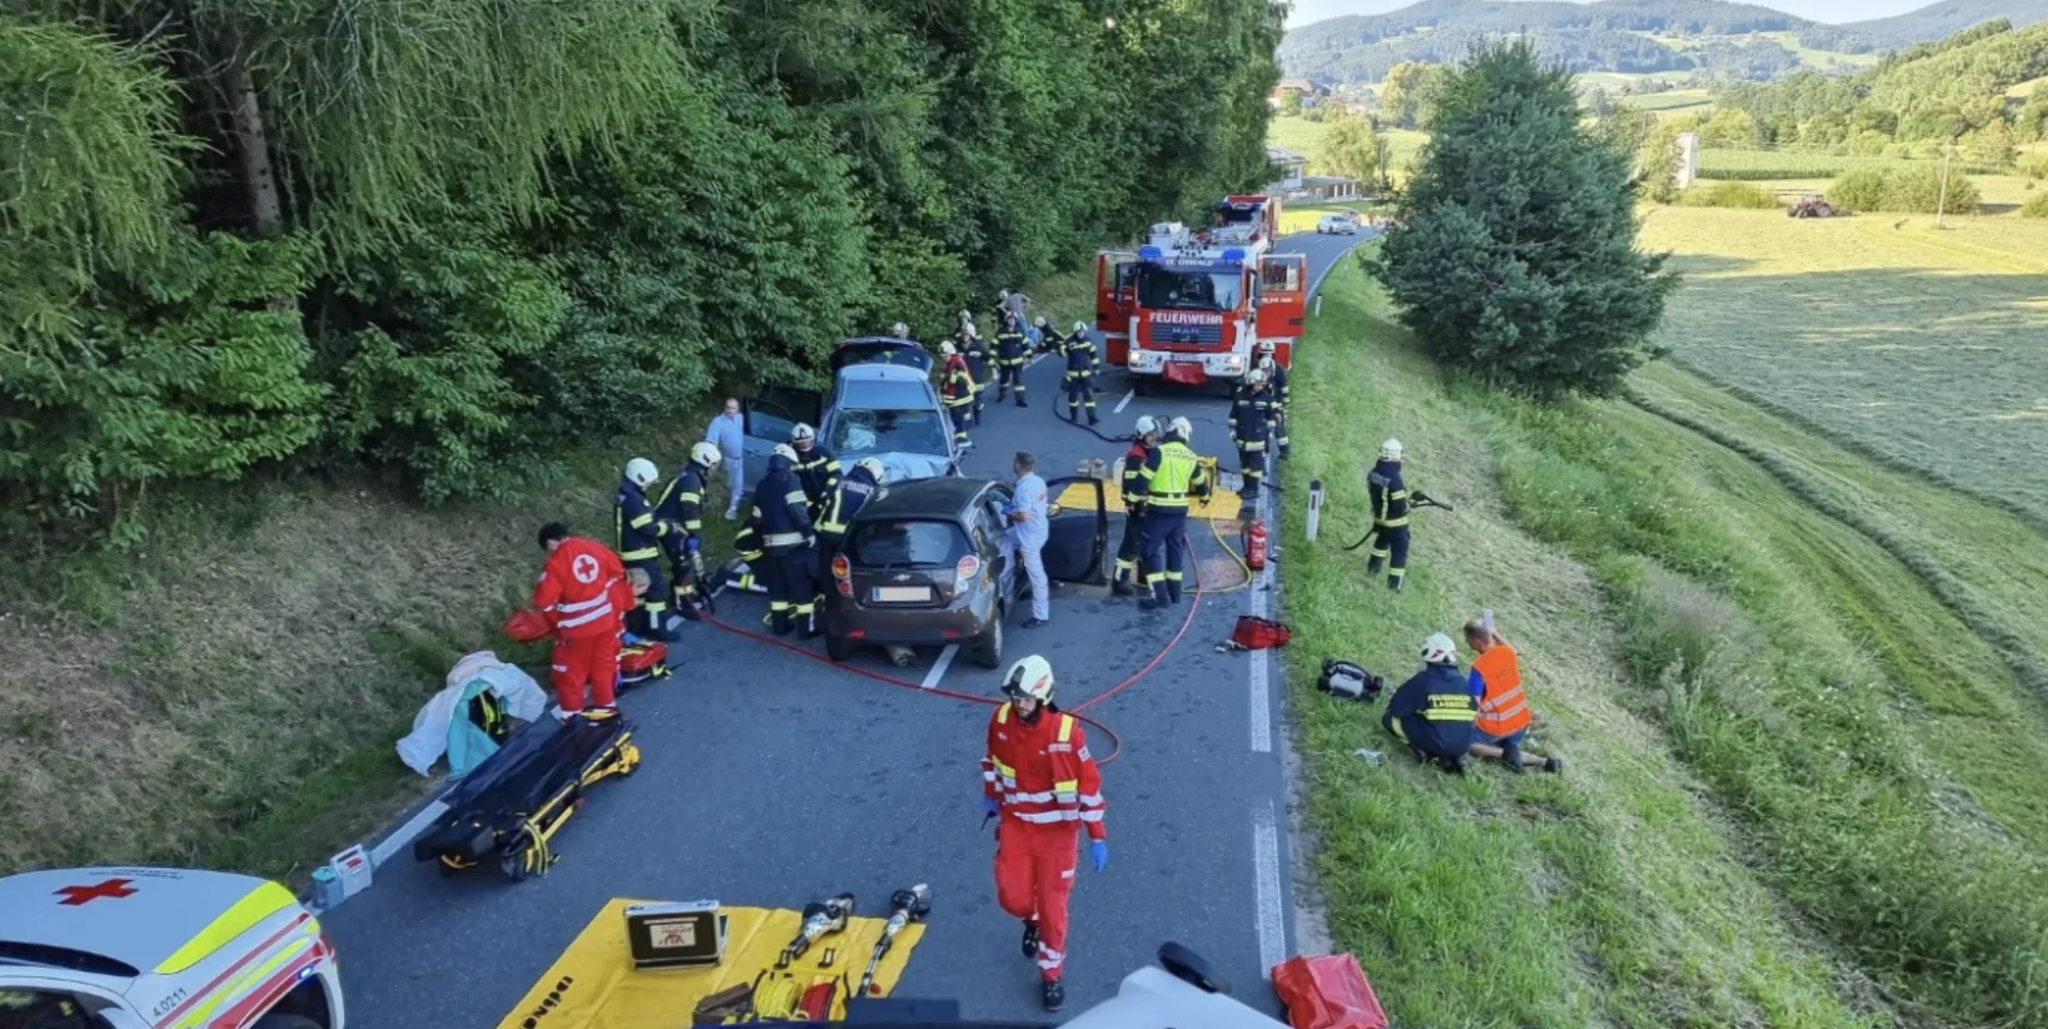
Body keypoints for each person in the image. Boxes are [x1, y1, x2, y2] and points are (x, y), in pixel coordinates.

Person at [981, 655, 1108, 1013]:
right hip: (1017, 824)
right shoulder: (1001, 720)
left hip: (1057, 835)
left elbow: (1089, 787)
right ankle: (1029, 919)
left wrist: (1097, 835)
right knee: (1011, 896)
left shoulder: (1066, 734)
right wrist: (991, 798)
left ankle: (1051, 974)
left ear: (1044, 696)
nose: (1019, 705)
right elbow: (992, 761)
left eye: (1026, 699)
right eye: (1015, 698)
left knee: (1055, 908)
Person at [531, 522, 632, 718]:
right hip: (604, 622)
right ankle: (608, 714)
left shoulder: (557, 561)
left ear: (551, 542)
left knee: (570, 677)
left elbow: (543, 602)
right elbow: (617, 571)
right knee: (602, 669)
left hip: (576, 631)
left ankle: (572, 722)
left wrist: (557, 626)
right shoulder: (592, 545)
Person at [1464, 619, 1562, 774]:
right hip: (1520, 724)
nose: (1466, 643)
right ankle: (1545, 762)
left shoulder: (1479, 667)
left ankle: (1504, 753)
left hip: (1496, 728)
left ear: (1476, 641)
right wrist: (1495, 633)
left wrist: (1466, 728)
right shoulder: (1507, 653)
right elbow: (1513, 651)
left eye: (1467, 639)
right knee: (1507, 741)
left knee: (1465, 743)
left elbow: (1473, 706)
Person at [1382, 632, 1477, 773]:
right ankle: (1451, 757)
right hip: (1462, 746)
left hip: (1438, 742)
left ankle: (1422, 751)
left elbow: (1397, 707)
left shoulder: (1424, 680)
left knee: (1389, 719)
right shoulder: (1462, 682)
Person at [1140, 416, 1209, 609]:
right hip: (1179, 513)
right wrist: (1204, 498)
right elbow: (1202, 485)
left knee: (1149, 550)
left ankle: (1160, 597)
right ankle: (1175, 594)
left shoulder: (1158, 452)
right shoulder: (1191, 456)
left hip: (1158, 510)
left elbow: (1143, 479)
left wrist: (1132, 498)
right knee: (1175, 549)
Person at [752, 443, 819, 638]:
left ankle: (780, 627)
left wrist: (761, 540)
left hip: (771, 548)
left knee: (778, 590)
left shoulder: (762, 484)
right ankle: (807, 630)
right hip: (793, 548)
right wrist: (809, 535)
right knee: (802, 590)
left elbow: (756, 518)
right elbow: (798, 511)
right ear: (789, 462)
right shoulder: (790, 480)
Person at [656, 442, 721, 624]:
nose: (715, 469)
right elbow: (689, 509)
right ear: (706, 462)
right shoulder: (691, 480)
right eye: (714, 465)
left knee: (684, 564)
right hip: (671, 527)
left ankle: (686, 597)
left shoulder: (690, 476)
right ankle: (682, 604)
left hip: (674, 525)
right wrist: (695, 534)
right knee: (683, 565)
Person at [614, 458, 678, 640]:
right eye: (649, 481)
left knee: (638, 592)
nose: (650, 484)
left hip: (632, 552)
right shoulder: (633, 499)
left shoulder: (627, 494)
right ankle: (657, 630)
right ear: (640, 478)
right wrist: (668, 528)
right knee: (656, 589)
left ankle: (637, 627)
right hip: (639, 553)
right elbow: (647, 528)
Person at [1000, 451, 1052, 628]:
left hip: (1028, 535)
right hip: (1038, 530)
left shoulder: (1023, 489)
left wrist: (1006, 510)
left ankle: (1041, 615)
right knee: (1003, 541)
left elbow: (1023, 516)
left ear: (1017, 465)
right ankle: (1013, 576)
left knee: (1037, 575)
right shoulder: (1038, 482)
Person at [1112, 416, 1159, 596]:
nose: (1153, 438)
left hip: (1144, 509)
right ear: (1141, 435)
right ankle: (1119, 580)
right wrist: (1137, 506)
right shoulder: (1137, 457)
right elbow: (1134, 486)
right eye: (1150, 435)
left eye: (1155, 434)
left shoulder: (1145, 453)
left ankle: (1143, 576)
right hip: (1137, 509)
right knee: (1131, 545)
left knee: (1144, 543)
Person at [818, 457, 886, 574]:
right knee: (845, 571)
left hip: (825, 534)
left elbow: (824, 505)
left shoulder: (839, 482)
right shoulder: (872, 491)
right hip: (849, 536)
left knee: (824, 567)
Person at [1367, 438, 1411, 592]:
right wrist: (1409, 504)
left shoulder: (1373, 473)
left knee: (1381, 543)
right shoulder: (1395, 480)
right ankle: (1394, 586)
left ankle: (1372, 569)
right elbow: (1400, 507)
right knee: (1399, 552)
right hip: (1396, 524)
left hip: (1380, 520)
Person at [1229, 368, 1275, 498]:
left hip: (1257, 438)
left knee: (1256, 466)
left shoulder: (1266, 397)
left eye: (1262, 384)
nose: (1261, 386)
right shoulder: (1240, 396)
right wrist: (1232, 431)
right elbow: (1233, 415)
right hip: (1242, 436)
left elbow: (1270, 417)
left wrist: (1270, 433)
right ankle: (1247, 487)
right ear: (1251, 382)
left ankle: (1253, 490)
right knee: (1245, 465)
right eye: (1258, 383)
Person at [706, 397, 746, 519]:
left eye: (733, 408)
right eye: (728, 407)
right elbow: (712, 442)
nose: (730, 410)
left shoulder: (742, 419)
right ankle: (728, 510)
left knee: (739, 485)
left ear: (737, 409)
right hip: (729, 459)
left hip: (746, 457)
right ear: (724, 407)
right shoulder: (717, 422)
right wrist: (712, 460)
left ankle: (733, 509)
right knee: (733, 484)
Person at [790, 422, 839, 521]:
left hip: (823, 497)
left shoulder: (825, 453)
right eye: (800, 443)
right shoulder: (789, 455)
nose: (804, 445)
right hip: (800, 499)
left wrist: (828, 489)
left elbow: (837, 473)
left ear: (813, 439)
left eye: (807, 442)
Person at [1059, 320, 1099, 426]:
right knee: (1073, 398)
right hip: (1072, 376)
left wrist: (1096, 367)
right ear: (1075, 332)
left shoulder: (1088, 342)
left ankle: (1092, 418)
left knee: (1089, 397)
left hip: (1085, 374)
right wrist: (1067, 348)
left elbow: (1093, 355)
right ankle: (1074, 417)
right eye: (1078, 332)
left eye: (1082, 332)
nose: (1080, 333)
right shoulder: (1069, 341)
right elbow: (1061, 352)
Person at [1256, 342, 1291, 459]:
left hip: (1276, 404)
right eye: (1264, 353)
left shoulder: (1278, 368)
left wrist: (1285, 404)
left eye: (1269, 353)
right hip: (1262, 405)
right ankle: (1262, 452)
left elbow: (1284, 386)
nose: (1267, 355)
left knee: (1279, 429)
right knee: (1262, 428)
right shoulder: (1256, 367)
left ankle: (1284, 452)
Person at [940, 341, 977, 449]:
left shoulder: (957, 363)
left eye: (944, 356)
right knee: (961, 419)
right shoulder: (954, 361)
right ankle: (961, 439)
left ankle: (962, 441)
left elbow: (957, 379)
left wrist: (945, 377)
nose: (943, 358)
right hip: (962, 396)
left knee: (958, 419)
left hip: (959, 398)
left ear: (950, 353)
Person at [994, 314, 1031, 407]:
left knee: (1019, 381)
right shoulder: (1000, 332)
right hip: (1004, 362)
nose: (1011, 321)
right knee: (1003, 380)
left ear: (1016, 320)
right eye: (1010, 319)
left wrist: (1029, 356)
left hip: (1017, 362)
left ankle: (1020, 400)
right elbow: (993, 345)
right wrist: (992, 359)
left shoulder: (1019, 331)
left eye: (1013, 319)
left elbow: (1026, 344)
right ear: (1006, 320)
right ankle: (1002, 394)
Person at [963, 327, 991, 425]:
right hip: (964, 379)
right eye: (964, 334)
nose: (964, 336)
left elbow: (988, 357)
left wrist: (980, 355)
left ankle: (977, 417)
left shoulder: (978, 346)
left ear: (971, 335)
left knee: (977, 401)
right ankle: (967, 423)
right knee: (965, 401)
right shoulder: (958, 346)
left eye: (967, 334)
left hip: (976, 378)